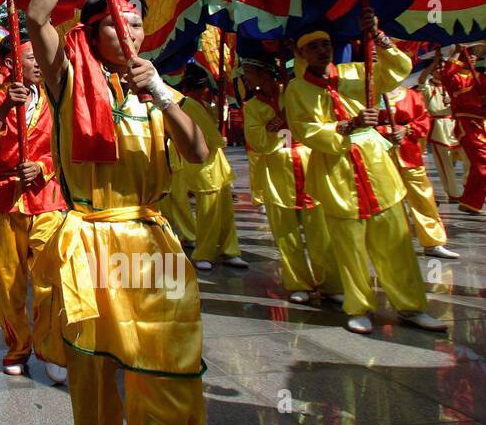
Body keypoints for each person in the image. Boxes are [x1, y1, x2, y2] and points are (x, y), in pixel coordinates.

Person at [27, 0, 210, 425]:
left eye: (136, 22)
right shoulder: (69, 81)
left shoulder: (159, 89)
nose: (129, 31)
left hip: (152, 244)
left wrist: (161, 95)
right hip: (89, 242)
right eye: (116, 23)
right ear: (91, 32)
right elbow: (37, 17)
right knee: (96, 377)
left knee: (168, 367)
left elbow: (198, 153)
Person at [284, 17, 447, 335]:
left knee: (397, 244)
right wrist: (349, 124)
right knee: (350, 249)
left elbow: (397, 71)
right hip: (336, 172)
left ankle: (411, 306)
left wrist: (378, 35)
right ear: (301, 53)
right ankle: (358, 307)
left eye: (326, 44)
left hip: (376, 168)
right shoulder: (296, 88)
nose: (322, 51)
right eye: (313, 47)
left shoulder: (356, 72)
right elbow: (305, 130)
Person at [0, 35, 68, 383]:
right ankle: (18, 346)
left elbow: (67, 143)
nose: (40, 62)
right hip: (1, 197)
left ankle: (52, 347)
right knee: (8, 282)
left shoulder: (57, 96)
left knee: (52, 275)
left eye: (42, 54)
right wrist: (4, 110)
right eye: (32, 56)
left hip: (46, 197)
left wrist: (44, 166)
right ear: (10, 63)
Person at [241, 55, 343, 304]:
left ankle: (331, 284)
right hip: (276, 172)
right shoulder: (252, 107)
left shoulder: (293, 91)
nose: (245, 78)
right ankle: (298, 282)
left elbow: (315, 120)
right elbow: (256, 141)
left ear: (263, 73)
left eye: (249, 72)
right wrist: (276, 124)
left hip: (308, 163)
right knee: (286, 234)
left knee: (320, 231)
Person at [169, 65, 246, 272]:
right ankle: (204, 253)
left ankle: (231, 251)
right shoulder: (188, 105)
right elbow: (210, 137)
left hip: (217, 165)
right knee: (208, 215)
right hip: (204, 168)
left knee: (225, 213)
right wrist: (219, 139)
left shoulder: (202, 104)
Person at [378, 82, 459, 259]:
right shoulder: (371, 94)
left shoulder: (412, 95)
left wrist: (406, 129)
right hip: (380, 155)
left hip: (409, 154)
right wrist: (385, 130)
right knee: (387, 201)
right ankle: (393, 242)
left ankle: (433, 241)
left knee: (423, 198)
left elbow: (423, 121)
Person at [440, 45, 486, 214]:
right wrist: (458, 51)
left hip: (482, 124)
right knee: (482, 163)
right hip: (466, 124)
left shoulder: (481, 78)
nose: (472, 57)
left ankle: (470, 202)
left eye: (475, 54)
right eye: (469, 54)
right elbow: (445, 76)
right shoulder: (455, 78)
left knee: (478, 166)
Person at [419, 56, 467, 202]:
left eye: (442, 67)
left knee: (469, 158)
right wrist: (434, 61)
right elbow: (421, 80)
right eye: (436, 69)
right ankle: (454, 194)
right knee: (446, 165)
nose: (440, 70)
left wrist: (452, 101)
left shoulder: (452, 84)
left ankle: (469, 185)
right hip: (439, 129)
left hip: (456, 126)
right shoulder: (428, 86)